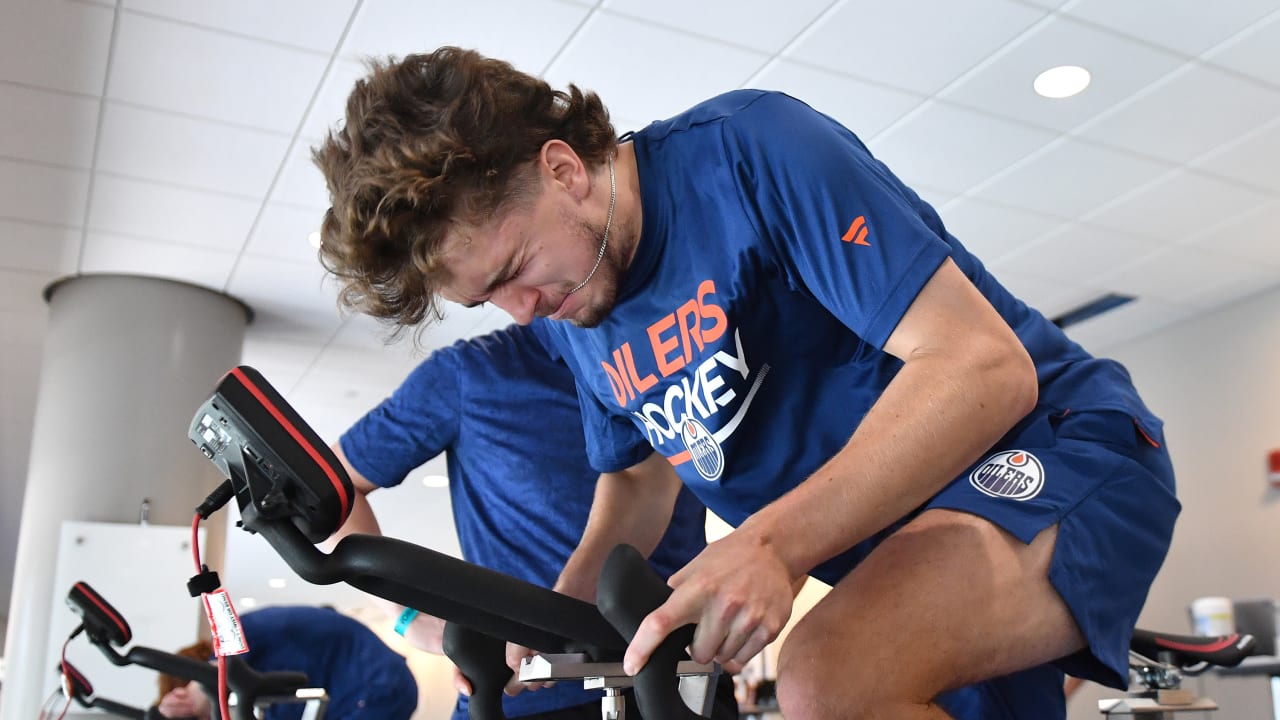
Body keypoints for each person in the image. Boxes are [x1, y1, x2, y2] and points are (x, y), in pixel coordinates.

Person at [309, 47, 1180, 720]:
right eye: (486, 301)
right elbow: (637, 485)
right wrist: (550, 619)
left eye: (513, 270)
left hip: (1062, 452)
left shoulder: (749, 153)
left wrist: (770, 545)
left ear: (562, 169)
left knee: (825, 678)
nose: (521, 311)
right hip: (904, 550)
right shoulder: (578, 311)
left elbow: (983, 367)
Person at [325, 322, 738, 720]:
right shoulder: (471, 373)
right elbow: (329, 491)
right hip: (528, 692)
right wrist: (407, 617)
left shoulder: (670, 354)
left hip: (680, 678)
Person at [156, 605, 417, 720]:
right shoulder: (258, 688)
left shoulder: (237, 634)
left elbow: (217, 671)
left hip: (375, 686)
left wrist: (200, 692)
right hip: (366, 693)